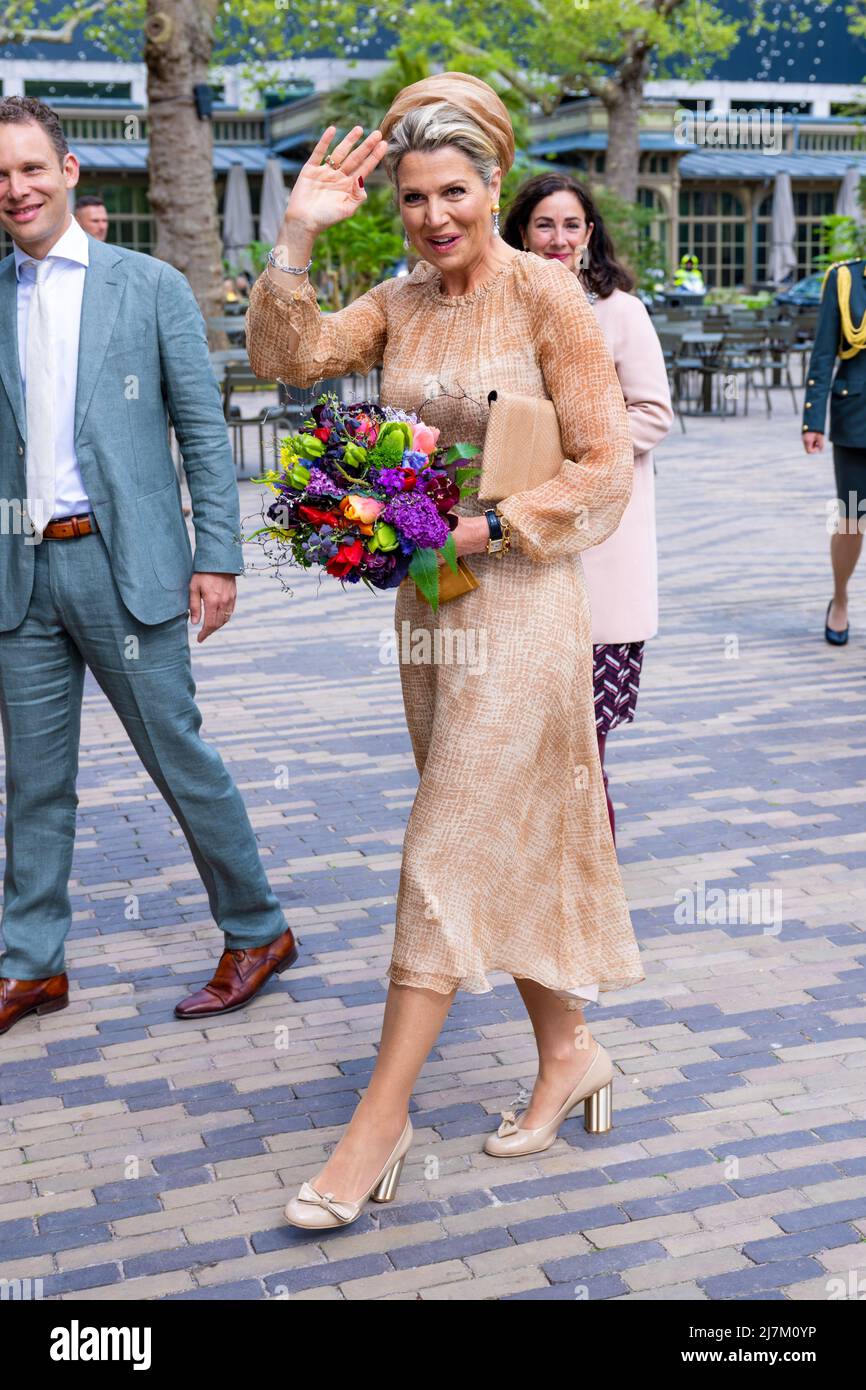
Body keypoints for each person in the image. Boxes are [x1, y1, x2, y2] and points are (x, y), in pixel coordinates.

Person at [246, 72, 645, 1231]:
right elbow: (293, 358)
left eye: (455, 192)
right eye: (414, 198)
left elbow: (604, 463)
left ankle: (376, 1128)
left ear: (493, 185)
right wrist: (293, 238)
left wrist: (492, 521)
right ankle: (569, 1052)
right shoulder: (402, 299)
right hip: (429, 610)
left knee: (440, 849)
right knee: (492, 837)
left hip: (522, 605)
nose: (434, 217)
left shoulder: (547, 298)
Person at [0, 96, 297, 1036]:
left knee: (179, 757)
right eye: (0, 176)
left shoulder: (150, 286)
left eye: (31, 168)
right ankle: (31, 965)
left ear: (70, 169)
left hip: (127, 569)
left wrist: (218, 556)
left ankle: (257, 929)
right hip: (22, 578)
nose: (16, 189)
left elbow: (206, 436)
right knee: (34, 783)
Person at [504, 174, 673, 840]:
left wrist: (571, 450)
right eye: (545, 224)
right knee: (523, 722)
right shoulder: (500, 307)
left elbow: (653, 415)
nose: (559, 238)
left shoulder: (620, 311)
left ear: (589, 234)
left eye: (572, 225)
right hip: (515, 536)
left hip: (600, 540)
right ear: (520, 231)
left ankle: (590, 866)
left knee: (586, 739)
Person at [802, 257, 866, 645]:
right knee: (853, 518)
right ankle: (840, 598)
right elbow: (824, 352)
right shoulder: (845, 279)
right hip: (857, 423)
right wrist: (813, 421)